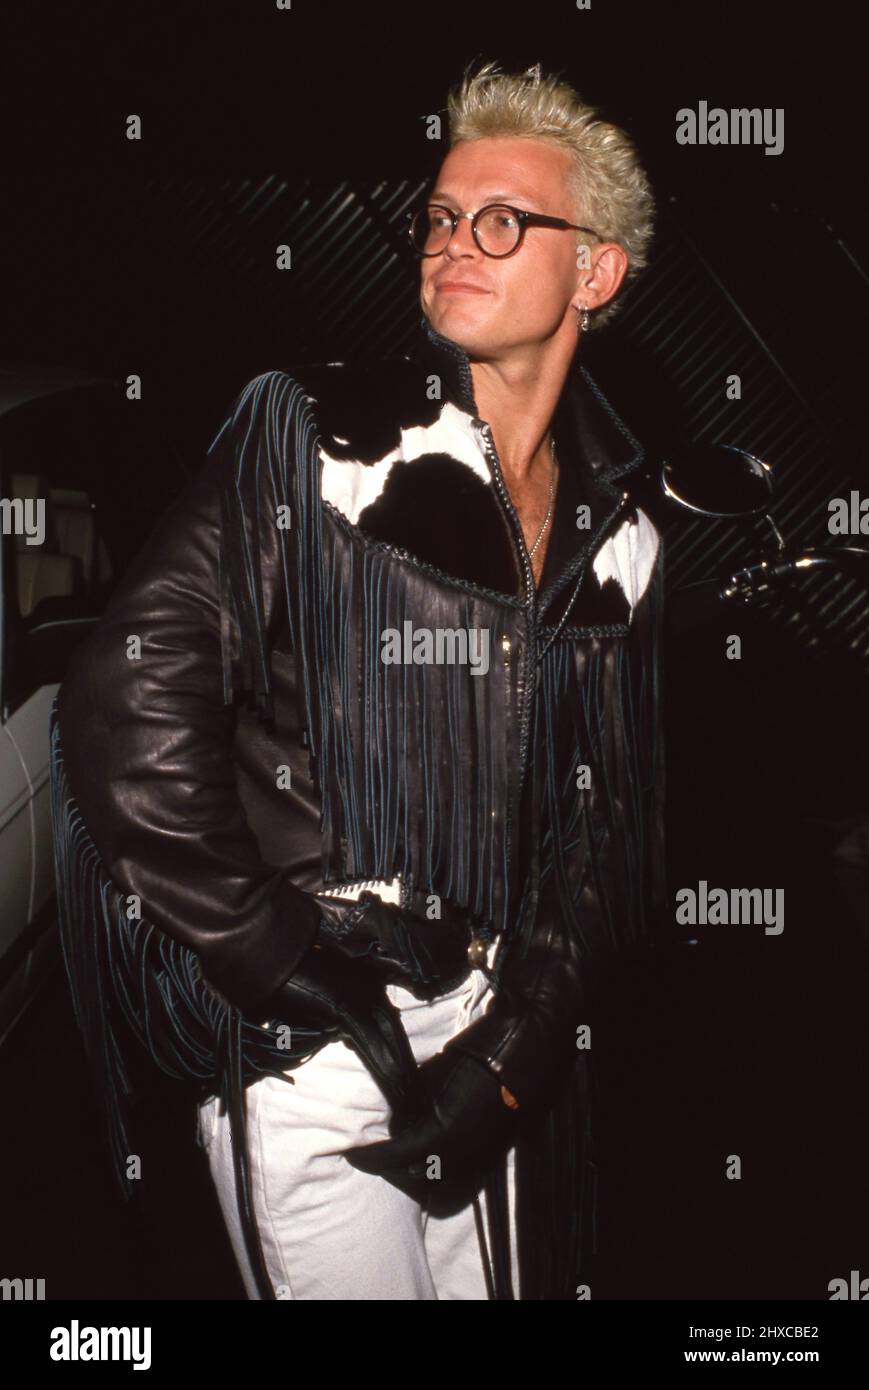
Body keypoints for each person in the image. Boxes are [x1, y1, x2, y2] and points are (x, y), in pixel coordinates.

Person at [51, 59, 665, 1301]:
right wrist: (280, 955)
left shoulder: (627, 535)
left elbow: (602, 832)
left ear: (593, 272)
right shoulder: (325, 445)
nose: (451, 243)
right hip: (313, 1045)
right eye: (441, 215)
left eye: (502, 220)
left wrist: (508, 1063)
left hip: (486, 1028)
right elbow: (125, 699)